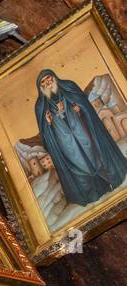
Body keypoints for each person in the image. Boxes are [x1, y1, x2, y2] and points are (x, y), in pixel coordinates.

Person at [34, 69, 127, 207]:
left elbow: (85, 106)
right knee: (79, 167)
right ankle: (94, 193)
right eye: (44, 82)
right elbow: (45, 134)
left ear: (54, 78)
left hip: (84, 133)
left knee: (96, 157)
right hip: (65, 144)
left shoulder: (69, 87)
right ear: (40, 86)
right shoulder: (40, 106)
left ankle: (110, 181)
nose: (47, 83)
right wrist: (47, 123)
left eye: (49, 78)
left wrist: (79, 109)